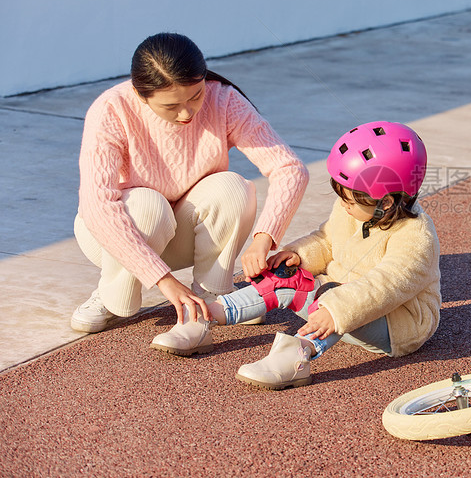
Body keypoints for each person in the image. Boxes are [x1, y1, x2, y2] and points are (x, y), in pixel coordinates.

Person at [149, 121, 442, 390]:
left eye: (349, 199)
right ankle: (206, 317)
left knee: (331, 294)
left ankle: (297, 356)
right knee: (286, 275)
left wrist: (335, 308)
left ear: (386, 202)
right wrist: (297, 255)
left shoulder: (416, 237)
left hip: (396, 325)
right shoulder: (354, 209)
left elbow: (384, 286)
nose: (343, 204)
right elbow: (327, 240)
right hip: (339, 302)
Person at [71, 32, 309, 334]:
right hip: (117, 234)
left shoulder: (223, 99)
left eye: (195, 96)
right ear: (141, 95)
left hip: (177, 231)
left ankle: (214, 292)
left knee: (233, 188)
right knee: (148, 206)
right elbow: (97, 206)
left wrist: (264, 238)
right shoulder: (111, 109)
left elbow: (290, 169)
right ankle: (113, 295)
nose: (187, 112)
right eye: (171, 106)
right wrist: (164, 281)